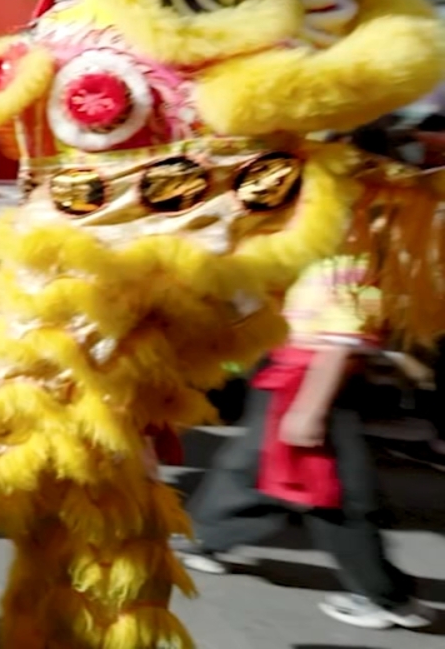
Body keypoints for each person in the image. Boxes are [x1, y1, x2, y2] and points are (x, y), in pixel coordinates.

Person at [176, 246, 435, 631]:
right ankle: (206, 538)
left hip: (310, 381)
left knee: (331, 491)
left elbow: (340, 343)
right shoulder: (318, 243)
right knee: (250, 465)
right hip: (286, 370)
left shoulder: (353, 256)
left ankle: (383, 596)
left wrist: (310, 408)